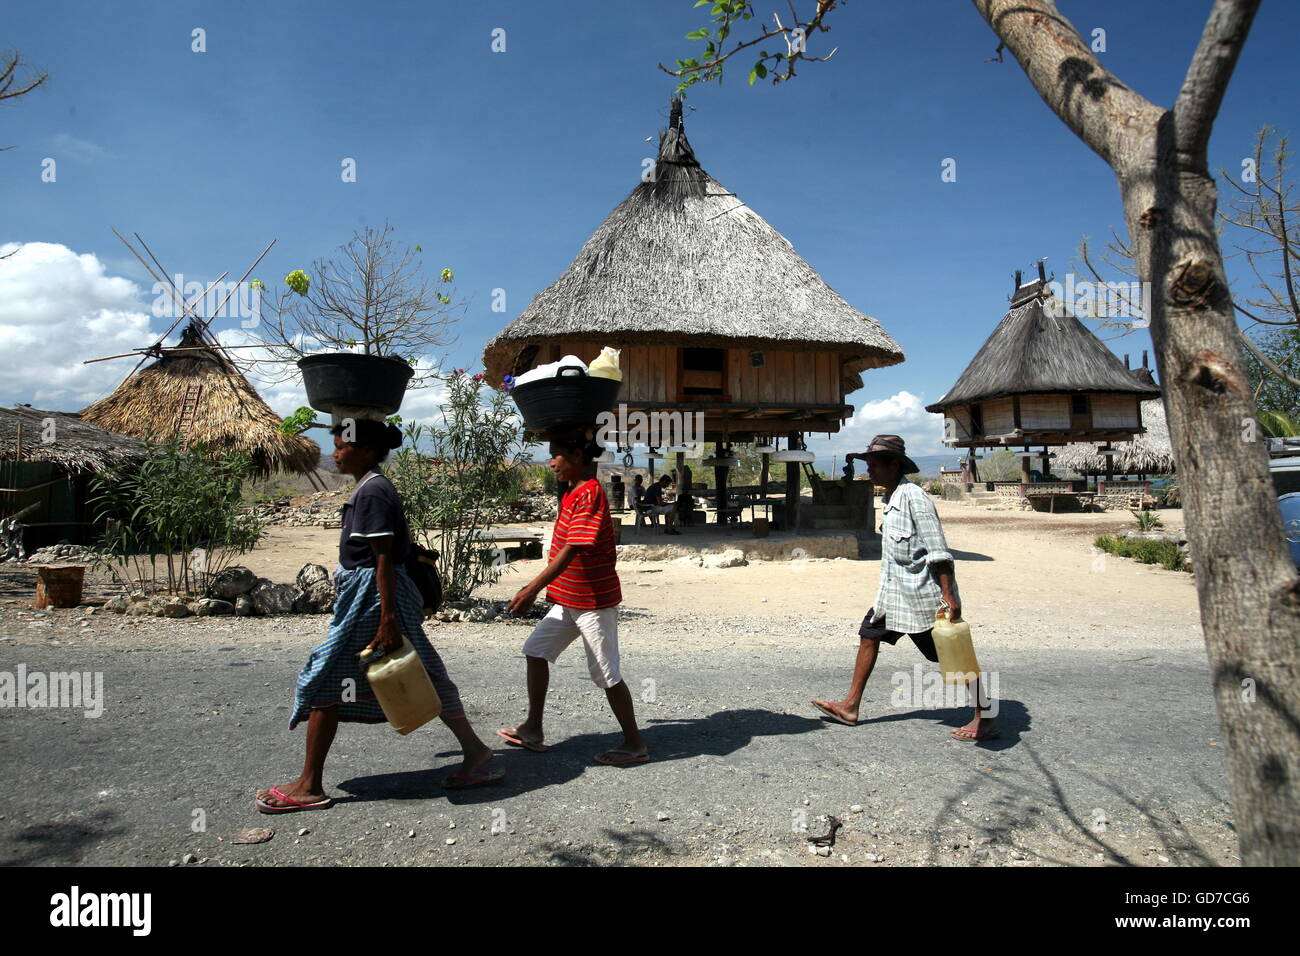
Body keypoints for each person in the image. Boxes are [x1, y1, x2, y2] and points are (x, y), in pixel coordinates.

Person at [255, 419, 502, 813]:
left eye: (341, 446)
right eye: (333, 445)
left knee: (325, 678)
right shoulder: (370, 488)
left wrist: (387, 618)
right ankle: (475, 753)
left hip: (375, 597)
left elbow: (383, 557)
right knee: (422, 671)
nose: (334, 452)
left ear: (367, 450)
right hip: (375, 595)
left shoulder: (372, 492)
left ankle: (308, 784)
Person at [811, 434, 998, 742]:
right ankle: (850, 706)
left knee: (948, 654)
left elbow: (937, 549)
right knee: (869, 635)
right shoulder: (891, 497)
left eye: (874, 465)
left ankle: (986, 716)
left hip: (921, 596)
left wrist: (948, 595)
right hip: (893, 595)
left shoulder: (914, 497)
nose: (868, 471)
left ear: (894, 465)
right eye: (867, 465)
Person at [498, 432, 649, 766]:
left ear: (578, 455)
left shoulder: (591, 493)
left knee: (607, 674)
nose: (551, 462)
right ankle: (533, 729)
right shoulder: (572, 492)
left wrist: (531, 588)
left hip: (593, 603)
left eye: (557, 455)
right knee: (536, 651)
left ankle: (635, 743)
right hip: (568, 600)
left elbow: (574, 548)